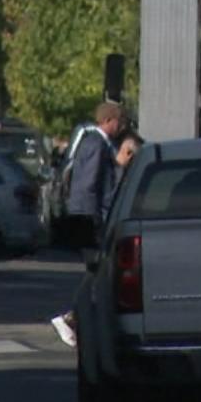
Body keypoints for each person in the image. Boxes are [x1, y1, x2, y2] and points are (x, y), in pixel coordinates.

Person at [51, 122, 141, 349]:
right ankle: (72, 319)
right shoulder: (106, 157)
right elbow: (105, 196)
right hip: (100, 224)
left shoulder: (105, 155)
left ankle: (75, 319)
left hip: (100, 224)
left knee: (99, 275)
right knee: (100, 275)